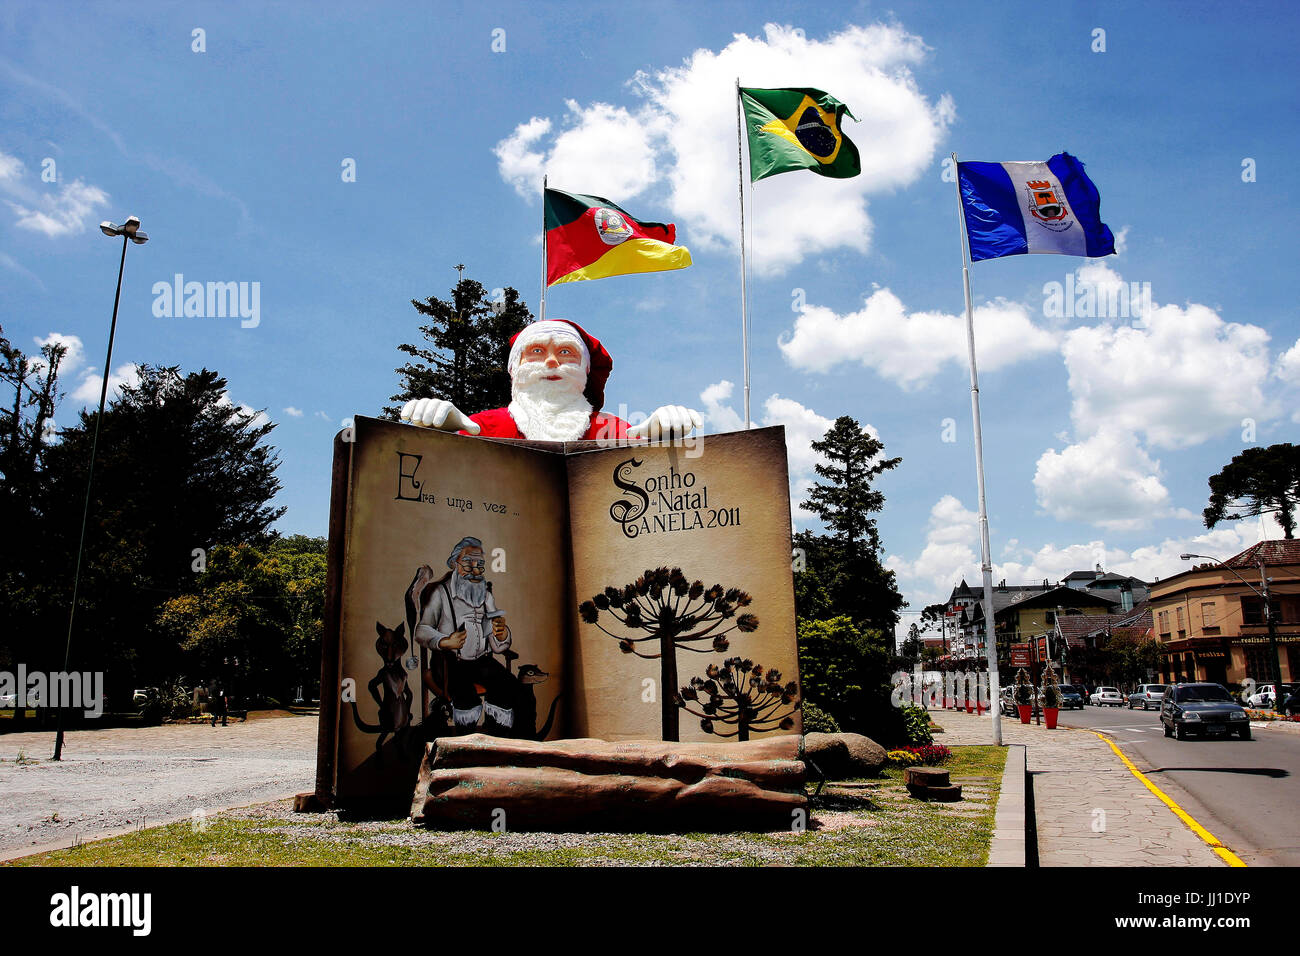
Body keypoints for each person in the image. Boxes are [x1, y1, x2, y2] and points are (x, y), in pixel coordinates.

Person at [399, 318, 701, 443]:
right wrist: (442, 438)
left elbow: (642, 461)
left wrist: (657, 437)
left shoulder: (609, 431)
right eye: (537, 351)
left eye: (566, 352)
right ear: (514, 369)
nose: (551, 361)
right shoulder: (484, 428)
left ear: (584, 371)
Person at [410, 537, 516, 734]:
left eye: (479, 564)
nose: (475, 570)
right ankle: (465, 744)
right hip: (450, 663)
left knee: (508, 685)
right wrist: (444, 641)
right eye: (468, 562)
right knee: (466, 696)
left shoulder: (485, 595)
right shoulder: (440, 593)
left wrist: (501, 635)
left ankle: (497, 739)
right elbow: (421, 630)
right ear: (454, 563)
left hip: (481, 662)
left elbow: (496, 644)